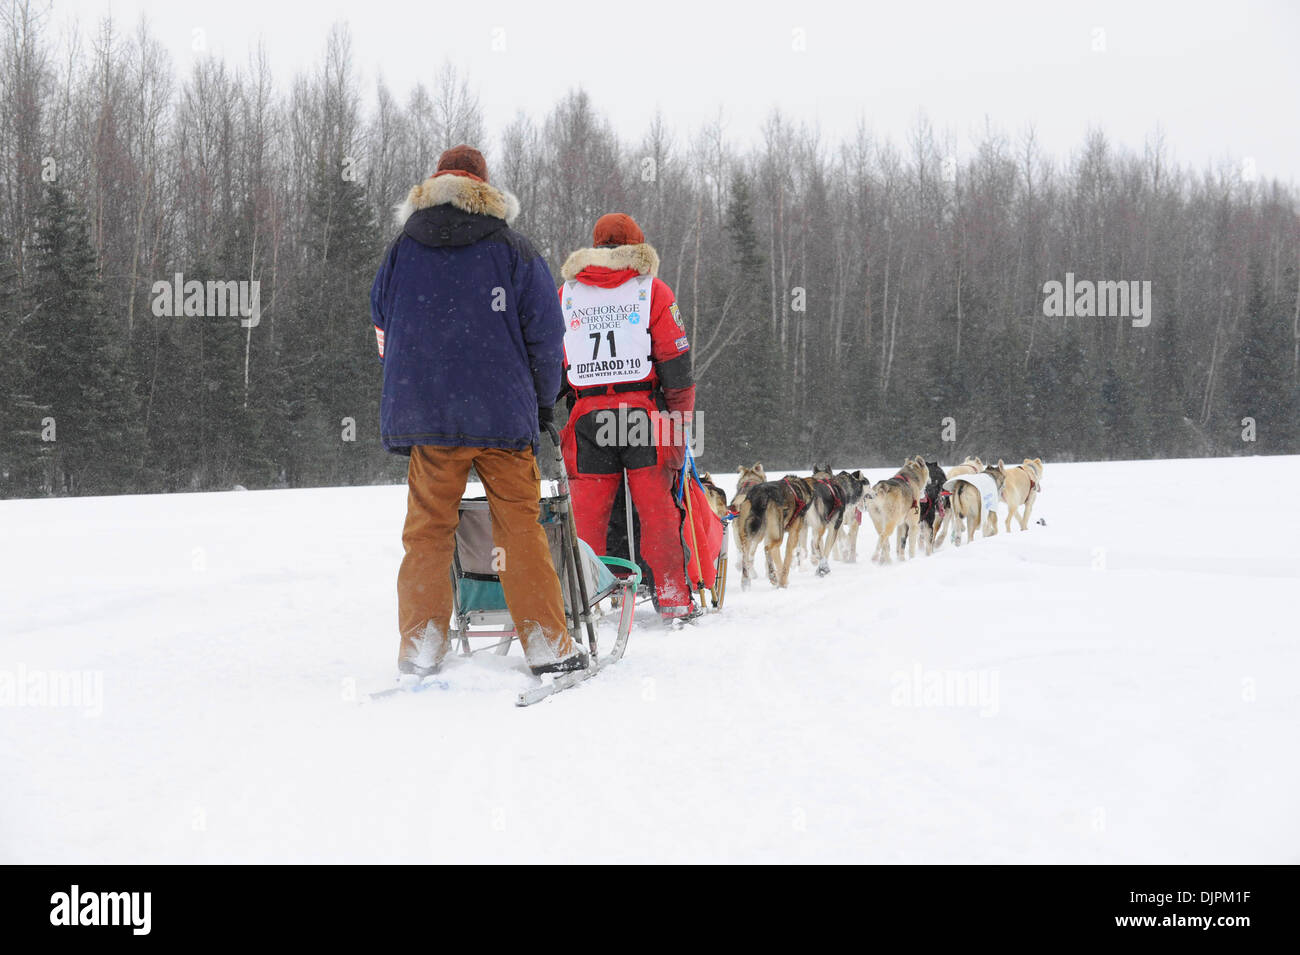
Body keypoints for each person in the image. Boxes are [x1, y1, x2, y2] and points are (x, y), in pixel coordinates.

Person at [370, 145, 584, 680]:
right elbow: (547, 334)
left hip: (430, 417)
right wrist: (539, 403)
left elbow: (381, 320)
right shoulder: (513, 248)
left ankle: (421, 645)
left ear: (435, 182)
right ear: (484, 187)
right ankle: (546, 646)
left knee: (426, 530)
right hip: (502, 418)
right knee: (520, 528)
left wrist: (415, 389)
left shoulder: (402, 249)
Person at [557, 213, 697, 623]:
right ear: (638, 248)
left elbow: (551, 364)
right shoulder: (651, 290)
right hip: (641, 416)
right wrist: (679, 426)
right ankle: (672, 596)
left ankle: (581, 600)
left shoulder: (565, 294)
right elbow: (676, 366)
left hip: (587, 416)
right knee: (657, 513)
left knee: (586, 519)